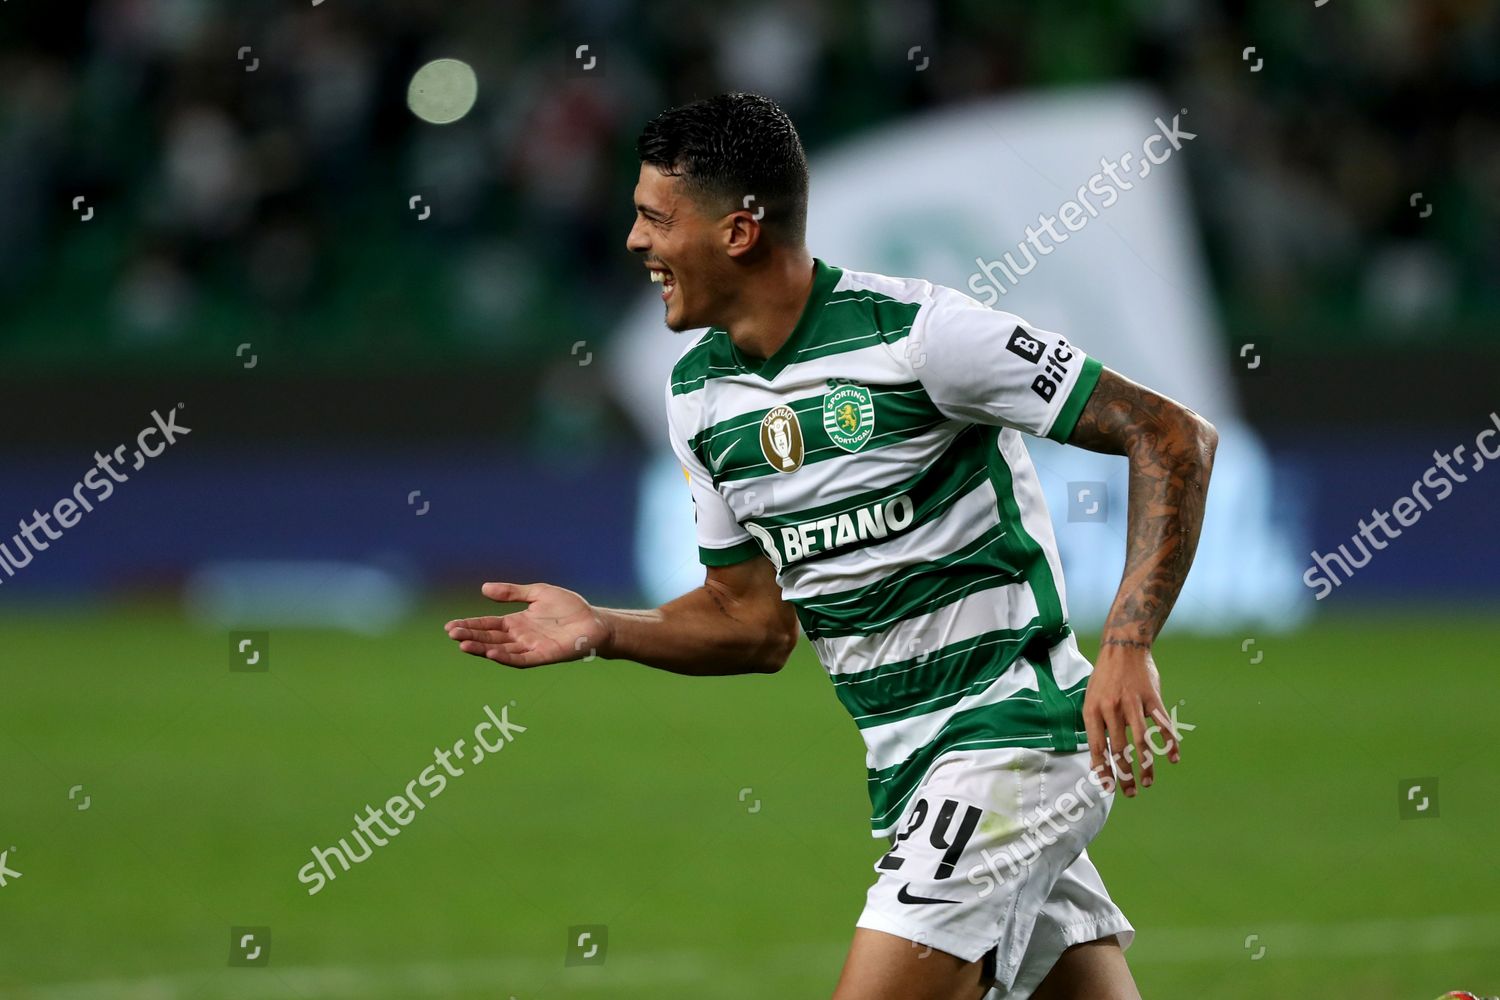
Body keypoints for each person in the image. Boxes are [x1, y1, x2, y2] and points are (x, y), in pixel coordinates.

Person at [445, 92, 1218, 1000]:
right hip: (913, 770)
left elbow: (1171, 436)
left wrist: (1128, 644)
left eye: (655, 218)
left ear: (738, 233)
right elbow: (753, 625)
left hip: (1011, 740)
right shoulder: (698, 396)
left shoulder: (923, 338)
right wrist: (603, 627)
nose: (634, 242)